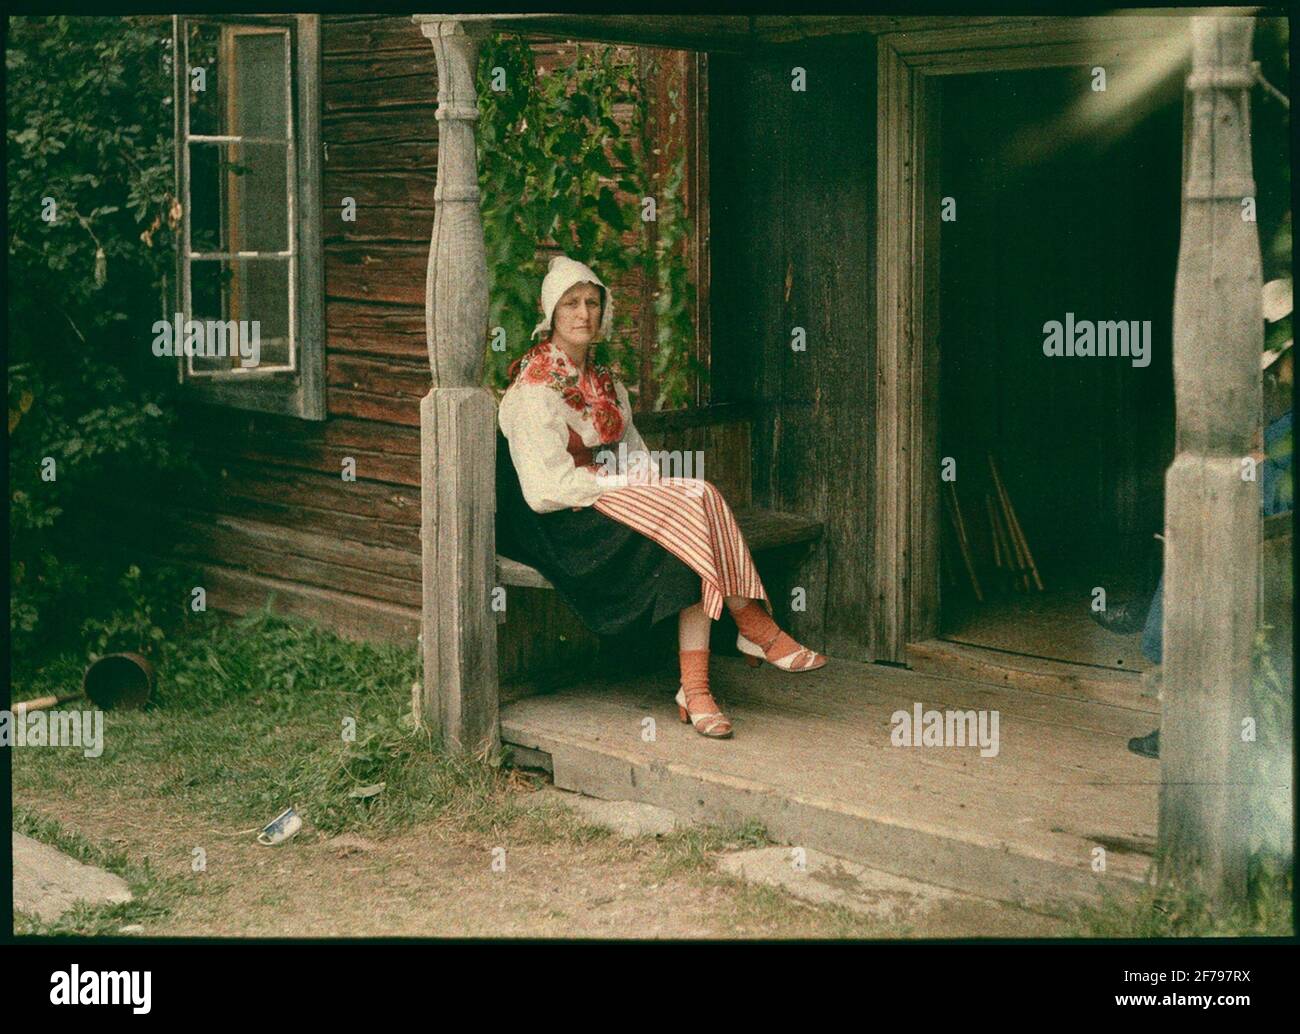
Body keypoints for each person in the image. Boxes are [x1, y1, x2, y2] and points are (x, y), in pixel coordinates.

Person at [495, 255, 827, 739]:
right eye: (571, 303)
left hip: (601, 499)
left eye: (592, 301)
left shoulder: (606, 383)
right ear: (551, 314)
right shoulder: (535, 389)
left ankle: (698, 687)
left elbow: (634, 456)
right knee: (693, 506)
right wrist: (624, 484)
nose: (583, 313)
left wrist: (641, 480)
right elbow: (545, 490)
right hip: (561, 522)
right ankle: (749, 626)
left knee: (696, 504)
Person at [1093, 344, 1293, 759]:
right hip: (1252, 532)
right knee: (1180, 549)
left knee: (1195, 600)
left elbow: (1262, 470)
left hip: (1264, 541)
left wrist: (1247, 462)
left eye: (1280, 364)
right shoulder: (1280, 415)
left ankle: (1189, 733)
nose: (1276, 375)